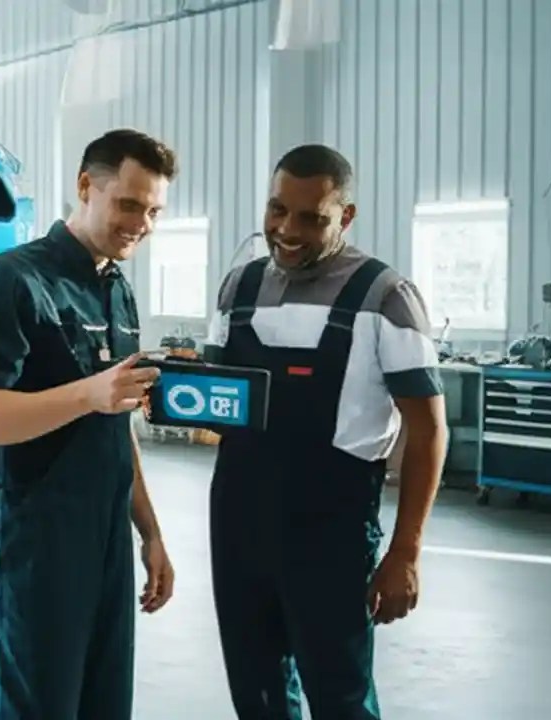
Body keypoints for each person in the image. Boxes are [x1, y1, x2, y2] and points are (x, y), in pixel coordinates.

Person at [203, 144, 448, 719]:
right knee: (256, 690)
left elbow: (429, 429)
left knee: (338, 693)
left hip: (330, 528)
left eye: (312, 218)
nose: (287, 230)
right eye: (276, 210)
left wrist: (405, 552)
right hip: (237, 518)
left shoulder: (385, 298)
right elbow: (218, 402)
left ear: (346, 215)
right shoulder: (236, 289)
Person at [0, 128, 179, 719]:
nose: (141, 223)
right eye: (129, 204)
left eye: (153, 210)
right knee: (40, 705)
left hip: (106, 535)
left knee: (105, 705)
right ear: (86, 186)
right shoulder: (12, 280)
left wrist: (149, 531)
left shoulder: (117, 290)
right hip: (38, 536)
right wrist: (89, 393)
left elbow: (116, 422)